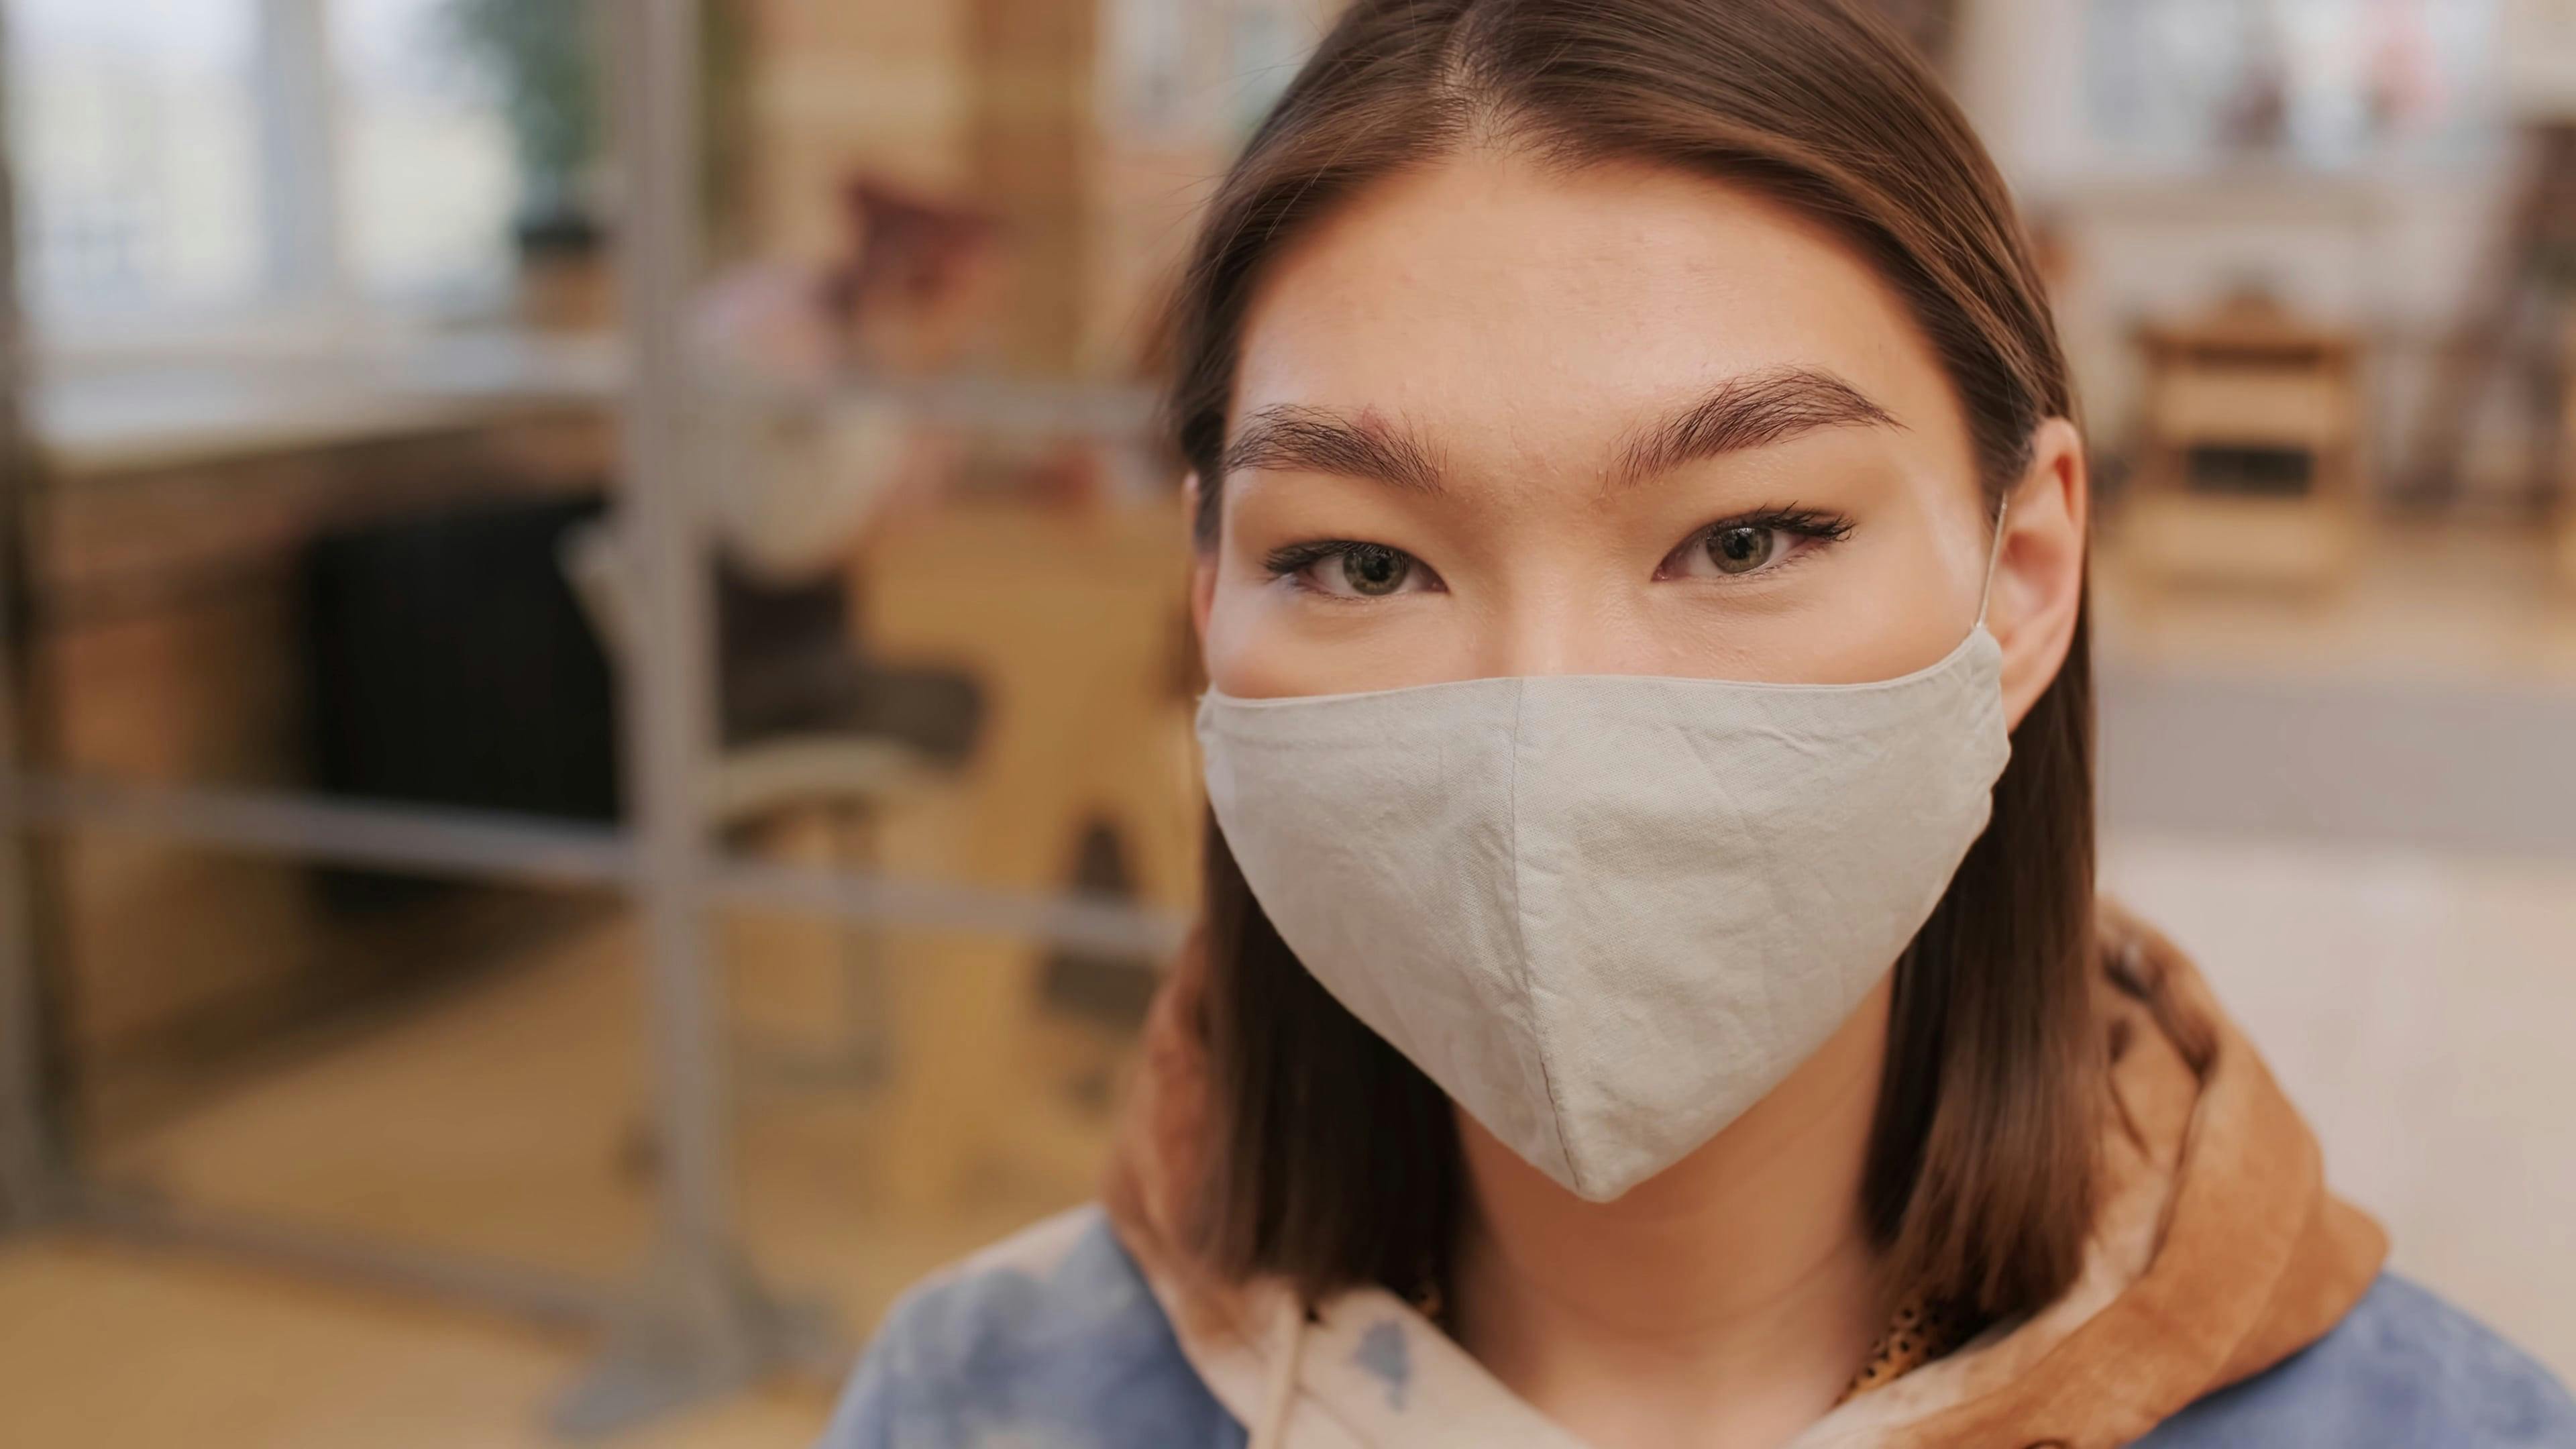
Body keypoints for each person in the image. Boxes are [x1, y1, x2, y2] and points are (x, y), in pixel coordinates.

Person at [820, 1, 2576, 1445]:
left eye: (1746, 537)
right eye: (1362, 560)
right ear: (1208, 600)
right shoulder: (978, 1402)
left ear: (2023, 572)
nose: (1545, 737)